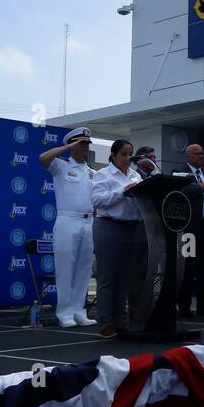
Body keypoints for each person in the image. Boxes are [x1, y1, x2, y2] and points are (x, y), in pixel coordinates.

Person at [39, 126, 95, 327]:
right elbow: (43, 158)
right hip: (67, 220)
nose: (85, 146)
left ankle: (79, 310)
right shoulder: (61, 166)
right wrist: (66, 147)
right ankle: (64, 313)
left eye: (87, 143)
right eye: (81, 143)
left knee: (84, 269)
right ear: (72, 145)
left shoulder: (92, 172)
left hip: (88, 221)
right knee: (65, 268)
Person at [90, 139, 142, 339]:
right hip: (109, 226)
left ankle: (121, 321)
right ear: (113, 155)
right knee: (108, 278)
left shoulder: (136, 175)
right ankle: (105, 322)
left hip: (132, 227)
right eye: (124, 154)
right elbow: (97, 200)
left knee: (125, 278)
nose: (128, 158)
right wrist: (123, 191)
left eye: (130, 154)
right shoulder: (103, 174)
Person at [174, 143, 204, 317]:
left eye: (203, 153)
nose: (201, 157)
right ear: (188, 156)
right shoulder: (180, 173)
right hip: (189, 229)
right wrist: (197, 188)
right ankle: (184, 307)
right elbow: (179, 193)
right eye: (198, 154)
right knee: (187, 268)